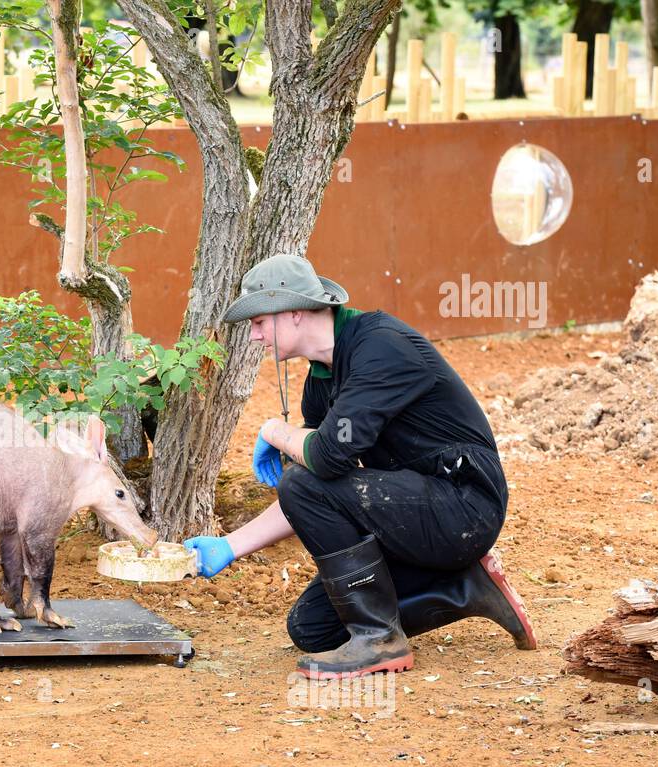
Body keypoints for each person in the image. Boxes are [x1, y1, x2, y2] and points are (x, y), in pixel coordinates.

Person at [184, 254, 535, 679]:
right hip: (411, 514)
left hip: (463, 506)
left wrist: (276, 432)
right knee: (312, 628)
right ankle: (463, 587)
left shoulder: (380, 346)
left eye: (258, 322)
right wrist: (230, 546)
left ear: (294, 312)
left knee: (303, 478)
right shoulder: (321, 379)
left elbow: (324, 460)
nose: (254, 336)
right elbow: (315, 482)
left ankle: (379, 641)